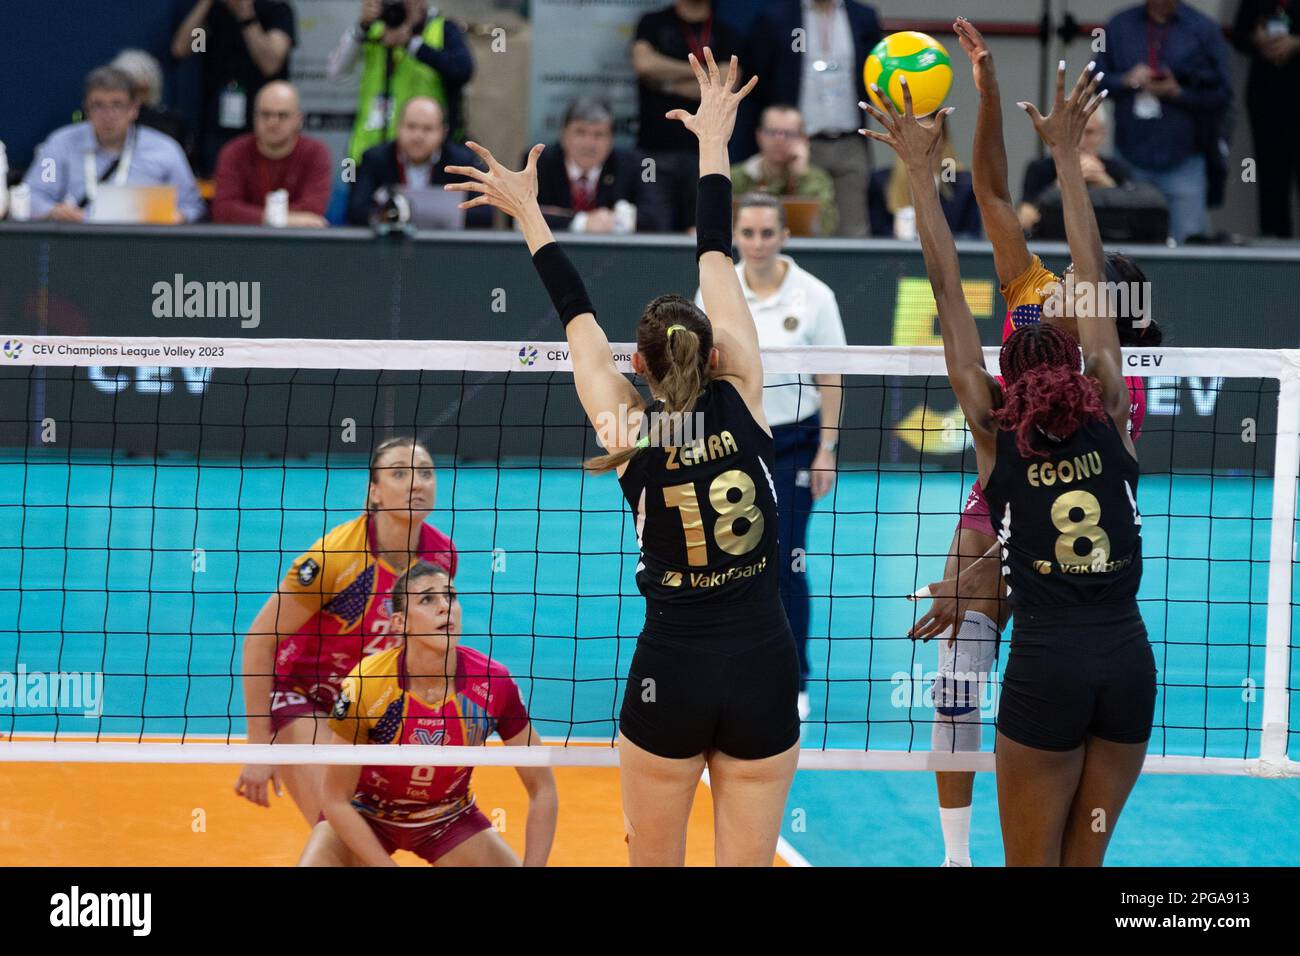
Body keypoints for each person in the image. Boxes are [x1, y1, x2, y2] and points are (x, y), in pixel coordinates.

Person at [445, 48, 800, 866]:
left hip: (669, 672)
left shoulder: (628, 434)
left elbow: (576, 318)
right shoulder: (743, 393)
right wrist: (714, 141)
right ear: (713, 356)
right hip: (763, 666)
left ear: (637, 365)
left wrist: (530, 215)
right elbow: (717, 252)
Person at [865, 61, 1156, 866]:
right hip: (1041, 532)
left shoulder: (1105, 389)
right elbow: (993, 199)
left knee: (988, 633)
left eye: (1075, 281)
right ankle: (955, 854)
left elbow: (948, 293)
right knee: (959, 664)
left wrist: (919, 175)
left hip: (1030, 516)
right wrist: (990, 98)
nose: (1064, 278)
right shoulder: (1053, 317)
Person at [234, 437, 457, 825]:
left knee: (376, 831)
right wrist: (261, 748)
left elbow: (426, 646)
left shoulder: (441, 556)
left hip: (363, 705)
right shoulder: (334, 558)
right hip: (303, 696)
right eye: (399, 473)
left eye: (425, 473)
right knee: (337, 828)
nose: (416, 483)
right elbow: (259, 641)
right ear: (375, 491)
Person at [692, 193, 845, 717]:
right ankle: (733, 667)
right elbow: (703, 374)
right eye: (748, 233)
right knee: (730, 559)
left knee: (786, 560)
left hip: (796, 444)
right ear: (736, 236)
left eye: (767, 233)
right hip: (735, 442)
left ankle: (795, 678)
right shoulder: (715, 289)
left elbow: (832, 375)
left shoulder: (816, 296)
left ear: (783, 236)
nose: (757, 244)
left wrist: (827, 449)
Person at [299, 562, 558, 866]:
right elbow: (335, 798)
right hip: (365, 813)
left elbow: (543, 788)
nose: (445, 607)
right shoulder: (365, 684)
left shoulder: (492, 683)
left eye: (450, 596)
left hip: (447, 817)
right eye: (427, 599)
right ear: (399, 622)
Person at [1094, 0, 1232, 243]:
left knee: (1190, 249)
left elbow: (1223, 94)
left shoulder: (1203, 28)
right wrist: (1126, 80)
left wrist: (1178, 93)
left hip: (1185, 158)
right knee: (1125, 249)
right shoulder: (1119, 25)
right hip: (1129, 157)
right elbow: (1095, 79)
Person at [744, 0, 882, 236]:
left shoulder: (863, 17)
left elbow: (875, 76)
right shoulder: (777, 16)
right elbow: (759, 84)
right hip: (798, 142)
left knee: (855, 231)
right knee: (801, 228)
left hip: (850, 141)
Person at [23, 66, 203, 223]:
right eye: (98, 105)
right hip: (78, 242)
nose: (108, 115)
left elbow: (192, 205)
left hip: (143, 246)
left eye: (117, 105)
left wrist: (179, 216)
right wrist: (54, 211)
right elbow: (33, 195)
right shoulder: (61, 145)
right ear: (86, 108)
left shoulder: (165, 150)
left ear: (134, 109)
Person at [632, 1, 743, 230]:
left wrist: (665, 84)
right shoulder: (652, 22)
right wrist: (703, 74)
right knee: (653, 232)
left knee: (702, 231)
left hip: (705, 153)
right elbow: (645, 64)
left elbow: (725, 85)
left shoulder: (726, 31)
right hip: (653, 153)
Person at [328, 0, 474, 164]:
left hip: (425, 157)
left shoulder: (442, 29)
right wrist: (361, 28)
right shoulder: (373, 30)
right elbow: (336, 72)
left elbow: (462, 71)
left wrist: (412, 44)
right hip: (369, 153)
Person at [171, 0, 296, 176]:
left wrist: (246, 16)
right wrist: (205, 4)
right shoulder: (214, 12)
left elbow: (270, 63)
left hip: (264, 121)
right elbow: (182, 48)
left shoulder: (276, 10)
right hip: (218, 125)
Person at [347, 96, 490, 228]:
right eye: (411, 126)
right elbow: (356, 211)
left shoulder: (464, 162)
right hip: (390, 247)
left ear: (443, 132)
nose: (418, 136)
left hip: (446, 247)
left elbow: (484, 215)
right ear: (398, 127)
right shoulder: (375, 158)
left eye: (427, 129)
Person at [533, 97, 670, 233]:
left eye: (599, 135)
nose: (589, 144)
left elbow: (658, 218)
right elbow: (520, 217)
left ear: (611, 140)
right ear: (563, 136)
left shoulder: (643, 164)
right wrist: (583, 221)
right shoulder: (537, 161)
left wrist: (615, 220)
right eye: (580, 132)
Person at [212, 81, 332, 226]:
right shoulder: (233, 152)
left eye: (282, 115)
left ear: (298, 119)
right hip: (244, 242)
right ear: (254, 117)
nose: (272, 122)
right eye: (265, 114)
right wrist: (285, 220)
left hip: (297, 244)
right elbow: (224, 210)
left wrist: (252, 216)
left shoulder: (316, 153)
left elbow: (314, 209)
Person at [1232, 0, 1300, 237]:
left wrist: (1296, 43)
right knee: (1270, 180)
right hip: (1267, 98)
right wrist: (1256, 39)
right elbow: (1238, 34)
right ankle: (1275, 245)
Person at [1018, 105, 1131, 233]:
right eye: (1074, 132)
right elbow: (1025, 221)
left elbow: (1134, 221)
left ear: (1102, 134)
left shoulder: (1118, 169)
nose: (1081, 141)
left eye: (1089, 132)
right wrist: (1060, 186)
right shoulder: (1040, 169)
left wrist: (1107, 185)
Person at [731, 105, 838, 236]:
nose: (779, 139)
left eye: (789, 134)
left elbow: (825, 227)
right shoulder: (736, 176)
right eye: (772, 132)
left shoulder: (817, 178)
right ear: (759, 136)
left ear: (803, 139)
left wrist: (801, 177)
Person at [868, 119, 981, 238]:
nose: (923, 142)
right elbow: (876, 237)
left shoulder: (964, 185)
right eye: (916, 135)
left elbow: (970, 237)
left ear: (943, 140)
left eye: (930, 135)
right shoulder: (881, 182)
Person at [110, 49, 195, 170]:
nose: (134, 98)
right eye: (128, 89)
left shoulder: (172, 124)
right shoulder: (102, 119)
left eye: (140, 90)